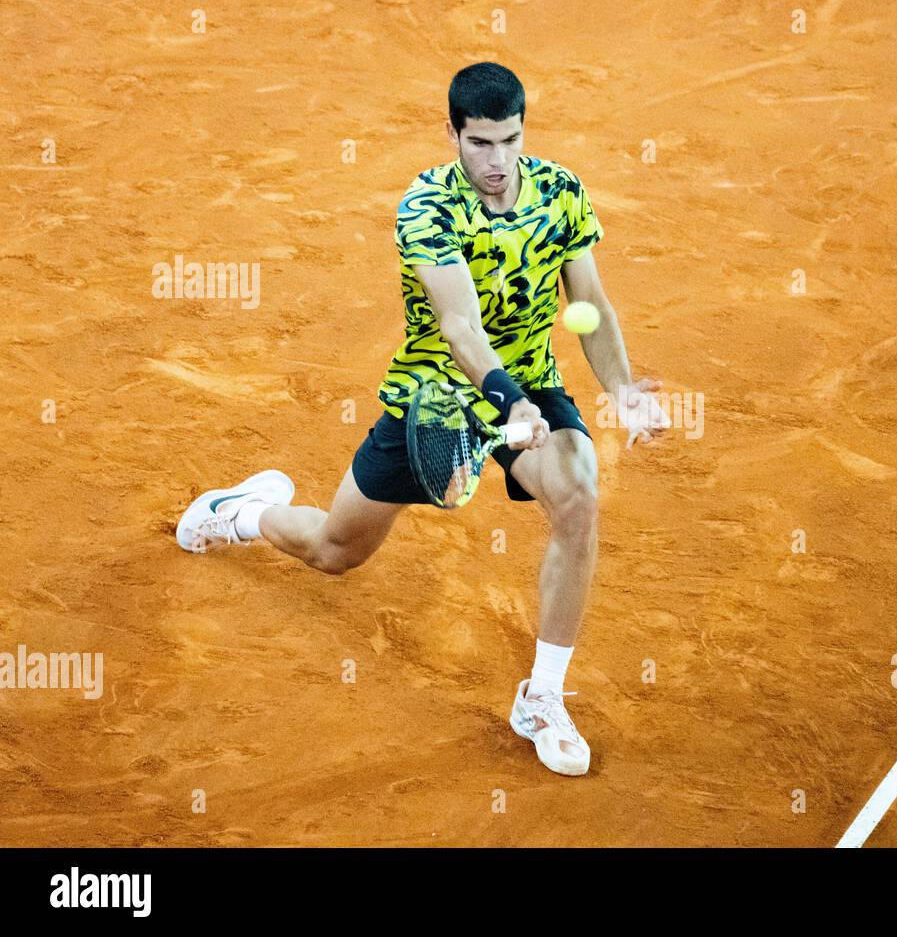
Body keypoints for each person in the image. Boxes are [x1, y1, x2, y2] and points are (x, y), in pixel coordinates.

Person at [175, 61, 669, 777]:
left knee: (579, 494)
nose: (497, 161)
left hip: (530, 383)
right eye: (481, 144)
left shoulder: (561, 193)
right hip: (435, 400)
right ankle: (242, 513)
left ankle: (542, 699)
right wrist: (509, 403)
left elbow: (590, 305)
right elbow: (461, 327)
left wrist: (620, 388)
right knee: (335, 552)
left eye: (510, 141)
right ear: (452, 134)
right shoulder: (428, 207)